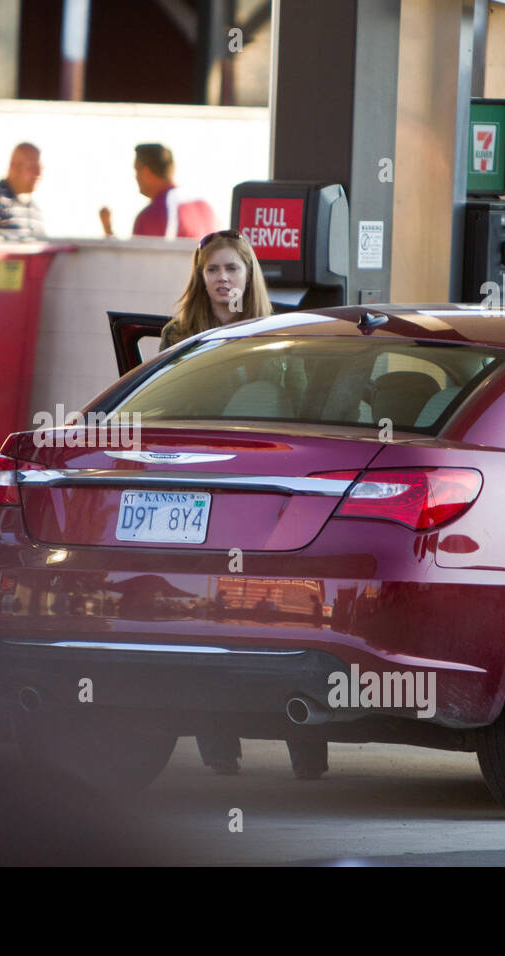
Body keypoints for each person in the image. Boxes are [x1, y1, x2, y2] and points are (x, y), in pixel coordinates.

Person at [158, 230, 327, 780]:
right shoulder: (178, 336)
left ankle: (306, 753)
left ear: (249, 274)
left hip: (266, 493)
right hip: (201, 492)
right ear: (200, 277)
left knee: (278, 617)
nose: (223, 279)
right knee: (206, 622)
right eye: (212, 271)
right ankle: (220, 753)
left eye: (232, 268)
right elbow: (166, 412)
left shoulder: (281, 334)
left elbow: (303, 410)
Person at [99, 143, 217, 239]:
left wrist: (108, 231)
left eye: (136, 171)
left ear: (146, 173)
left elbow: (136, 264)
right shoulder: (203, 205)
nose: (136, 177)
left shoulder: (152, 214)